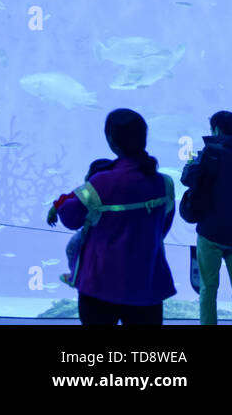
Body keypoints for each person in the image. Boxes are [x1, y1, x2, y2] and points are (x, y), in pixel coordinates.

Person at [56, 109, 176, 326]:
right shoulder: (164, 183)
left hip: (99, 284)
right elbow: (162, 227)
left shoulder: (100, 182)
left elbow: (69, 218)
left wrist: (61, 202)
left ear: (111, 140)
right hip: (146, 283)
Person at [180, 110, 232, 325]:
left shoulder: (208, 153)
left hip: (210, 232)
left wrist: (191, 163)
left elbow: (187, 179)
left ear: (216, 129)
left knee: (208, 289)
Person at [47, 158, 116, 286]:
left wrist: (54, 210)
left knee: (73, 246)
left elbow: (69, 200)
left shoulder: (89, 189)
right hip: (123, 235)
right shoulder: (122, 187)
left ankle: (76, 275)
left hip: (97, 234)